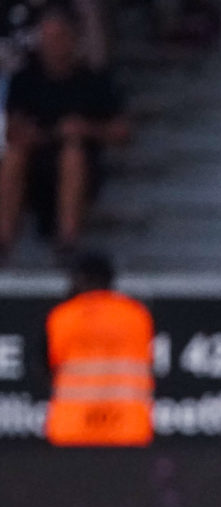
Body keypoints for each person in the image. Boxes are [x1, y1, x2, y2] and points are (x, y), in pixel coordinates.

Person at [0, 7, 128, 264]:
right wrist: (29, 134)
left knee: (72, 154)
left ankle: (67, 240)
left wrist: (86, 128)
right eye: (46, 39)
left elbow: (122, 130)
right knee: (14, 156)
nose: (52, 46)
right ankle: (3, 239)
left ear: (72, 39)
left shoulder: (94, 80)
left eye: (58, 38)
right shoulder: (25, 80)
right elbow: (13, 127)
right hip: (33, 162)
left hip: (80, 165)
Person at [45, 249, 155, 447]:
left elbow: (47, 367)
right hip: (128, 429)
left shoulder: (62, 317)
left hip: (72, 429)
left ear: (79, 279)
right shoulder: (137, 315)